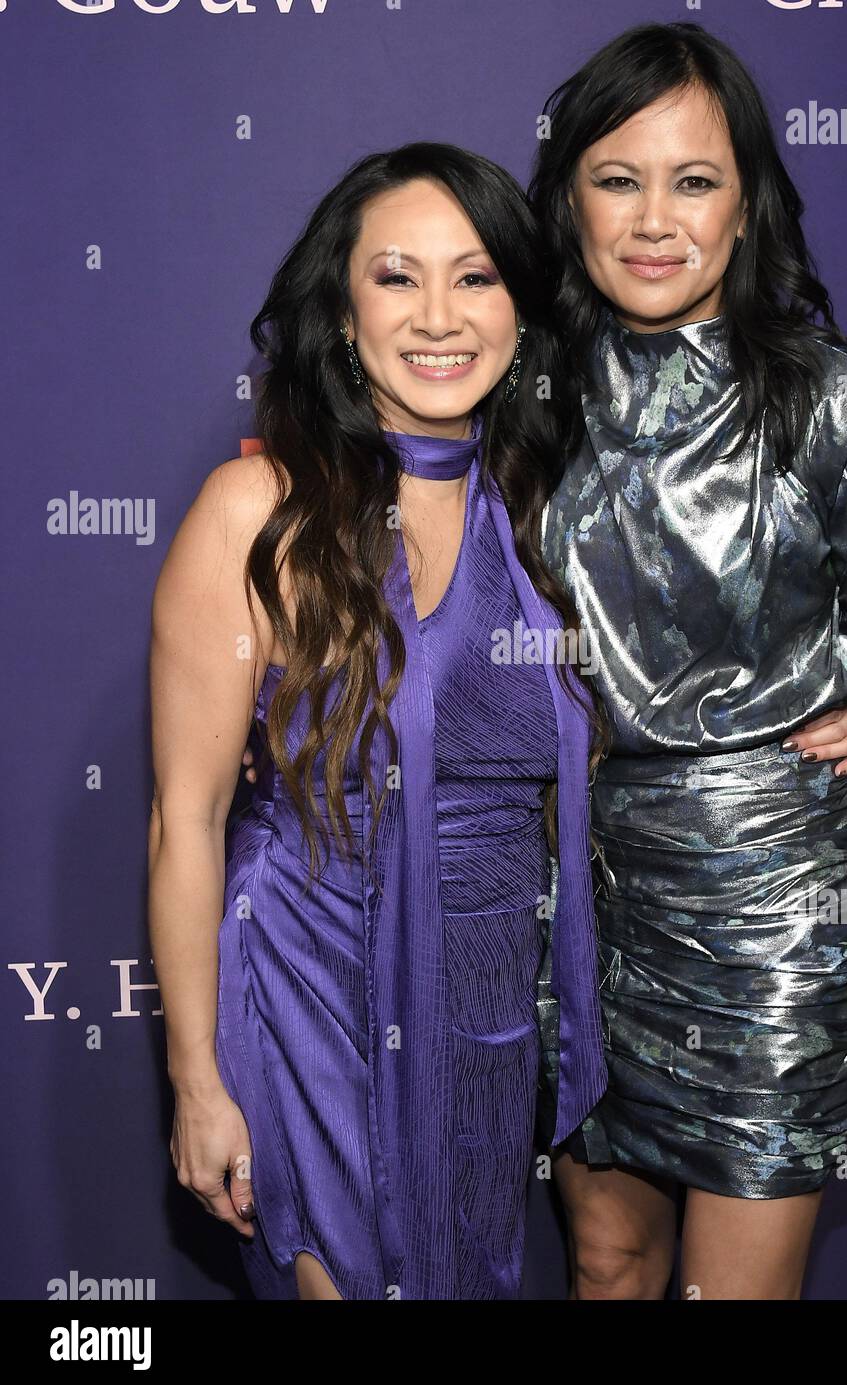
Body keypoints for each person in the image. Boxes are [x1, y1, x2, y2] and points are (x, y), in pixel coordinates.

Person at [527, 22, 847, 1300]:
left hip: (778, 908)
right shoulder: (519, 394)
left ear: (746, 203)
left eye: (693, 180)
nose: (654, 220)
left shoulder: (842, 408)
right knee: (605, 1264)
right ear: (569, 201)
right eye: (617, 178)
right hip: (579, 903)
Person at [147, 143, 609, 1300]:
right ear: (343, 316)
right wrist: (198, 1082)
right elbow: (186, 822)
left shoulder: (548, 517)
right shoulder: (261, 515)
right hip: (311, 981)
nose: (439, 315)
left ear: (518, 310)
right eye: (397, 277)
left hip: (484, 1008)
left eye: (476, 277)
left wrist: (831, 709)